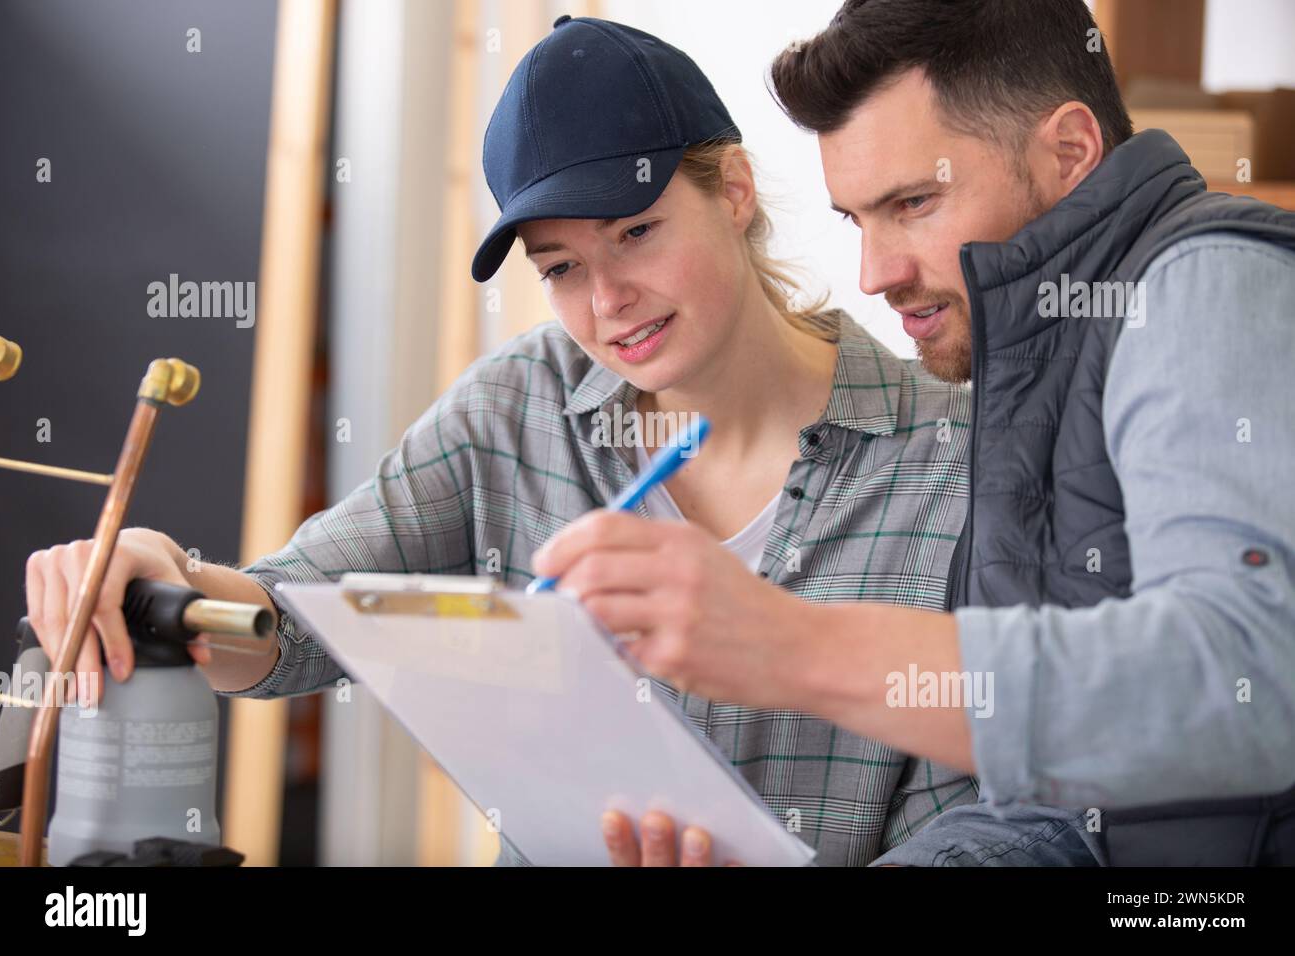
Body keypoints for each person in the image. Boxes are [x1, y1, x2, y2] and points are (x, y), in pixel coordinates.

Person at [23, 16, 979, 867]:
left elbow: (985, 819)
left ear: (732, 190)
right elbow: (290, 625)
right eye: (561, 267)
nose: (607, 303)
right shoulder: (520, 405)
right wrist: (166, 581)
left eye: (637, 233)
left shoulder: (952, 457)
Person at [534, 0, 1295, 865]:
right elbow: (1051, 816)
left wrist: (791, 642)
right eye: (857, 220)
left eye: (914, 202)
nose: (874, 274)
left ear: (1070, 152)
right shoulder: (1030, 357)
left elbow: (1248, 685)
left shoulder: (1206, 283)